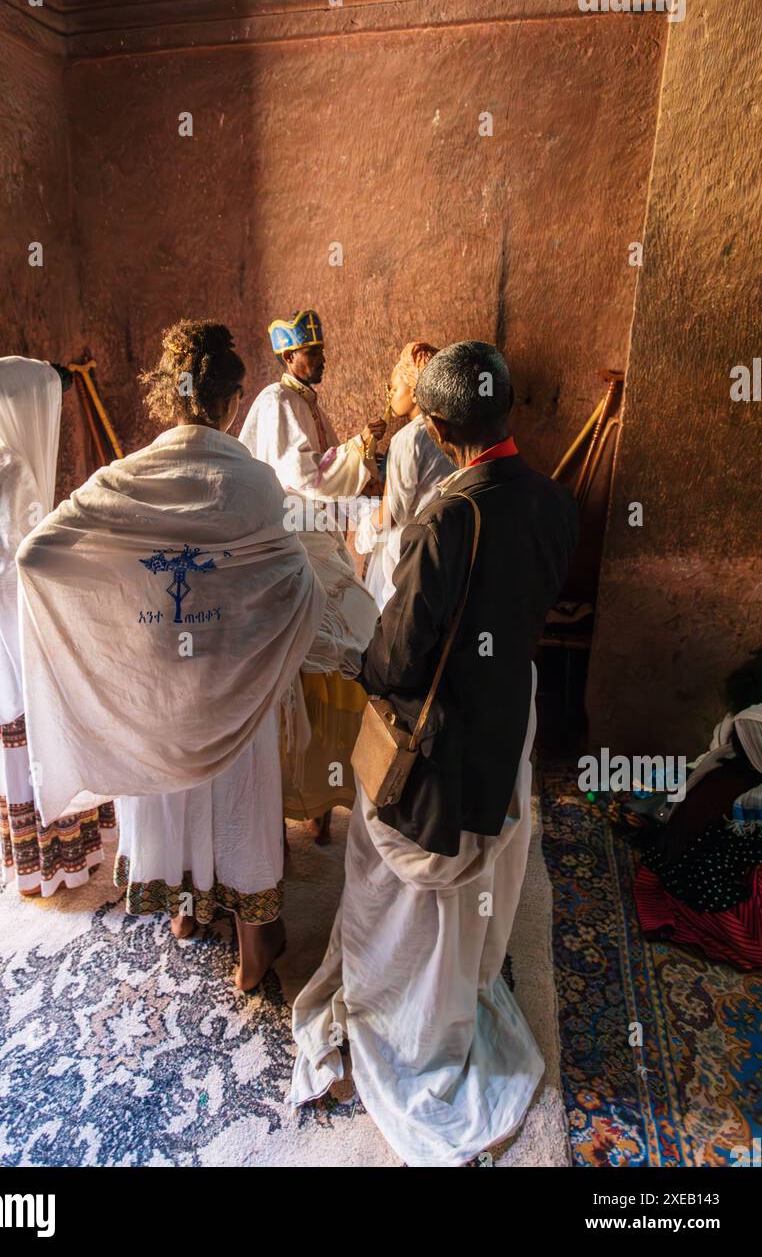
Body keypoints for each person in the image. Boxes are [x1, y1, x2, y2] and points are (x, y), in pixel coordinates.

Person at [290, 340, 578, 1166]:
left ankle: (409, 1013)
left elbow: (399, 656)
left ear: (441, 424)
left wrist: (362, 658)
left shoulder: (452, 516)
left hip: (441, 736)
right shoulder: (555, 503)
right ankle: (455, 991)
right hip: (508, 712)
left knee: (396, 872)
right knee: (483, 861)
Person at [16, 321, 329, 990]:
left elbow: (36, 555)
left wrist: (119, 602)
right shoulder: (253, 483)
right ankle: (254, 951)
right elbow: (296, 580)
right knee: (239, 802)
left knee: (168, 792)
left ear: (170, 394)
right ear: (231, 400)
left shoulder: (125, 479)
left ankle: (184, 914)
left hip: (158, 677)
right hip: (232, 676)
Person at [0, 356, 115, 896]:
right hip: (16, 642)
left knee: (10, 761)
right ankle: (61, 864)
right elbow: (18, 577)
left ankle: (26, 862)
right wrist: (50, 652)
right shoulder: (7, 471)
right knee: (41, 753)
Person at [239, 309, 382, 841]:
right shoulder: (277, 403)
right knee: (316, 655)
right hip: (296, 543)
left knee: (339, 654)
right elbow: (302, 475)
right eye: (311, 352)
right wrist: (359, 450)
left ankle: (325, 794)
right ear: (287, 357)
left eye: (321, 350)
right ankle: (293, 798)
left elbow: (323, 476)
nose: (321, 359)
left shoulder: (302, 401)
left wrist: (356, 461)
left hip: (316, 536)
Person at [625, 647, 762, 969]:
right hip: (709, 877)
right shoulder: (728, 790)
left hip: (743, 866)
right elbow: (698, 863)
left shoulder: (753, 781)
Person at [354, 340, 451, 609]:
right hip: (443, 553)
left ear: (416, 391)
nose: (390, 396)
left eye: (394, 388)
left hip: (405, 557)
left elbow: (391, 513)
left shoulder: (408, 439)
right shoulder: (451, 432)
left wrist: (363, 532)